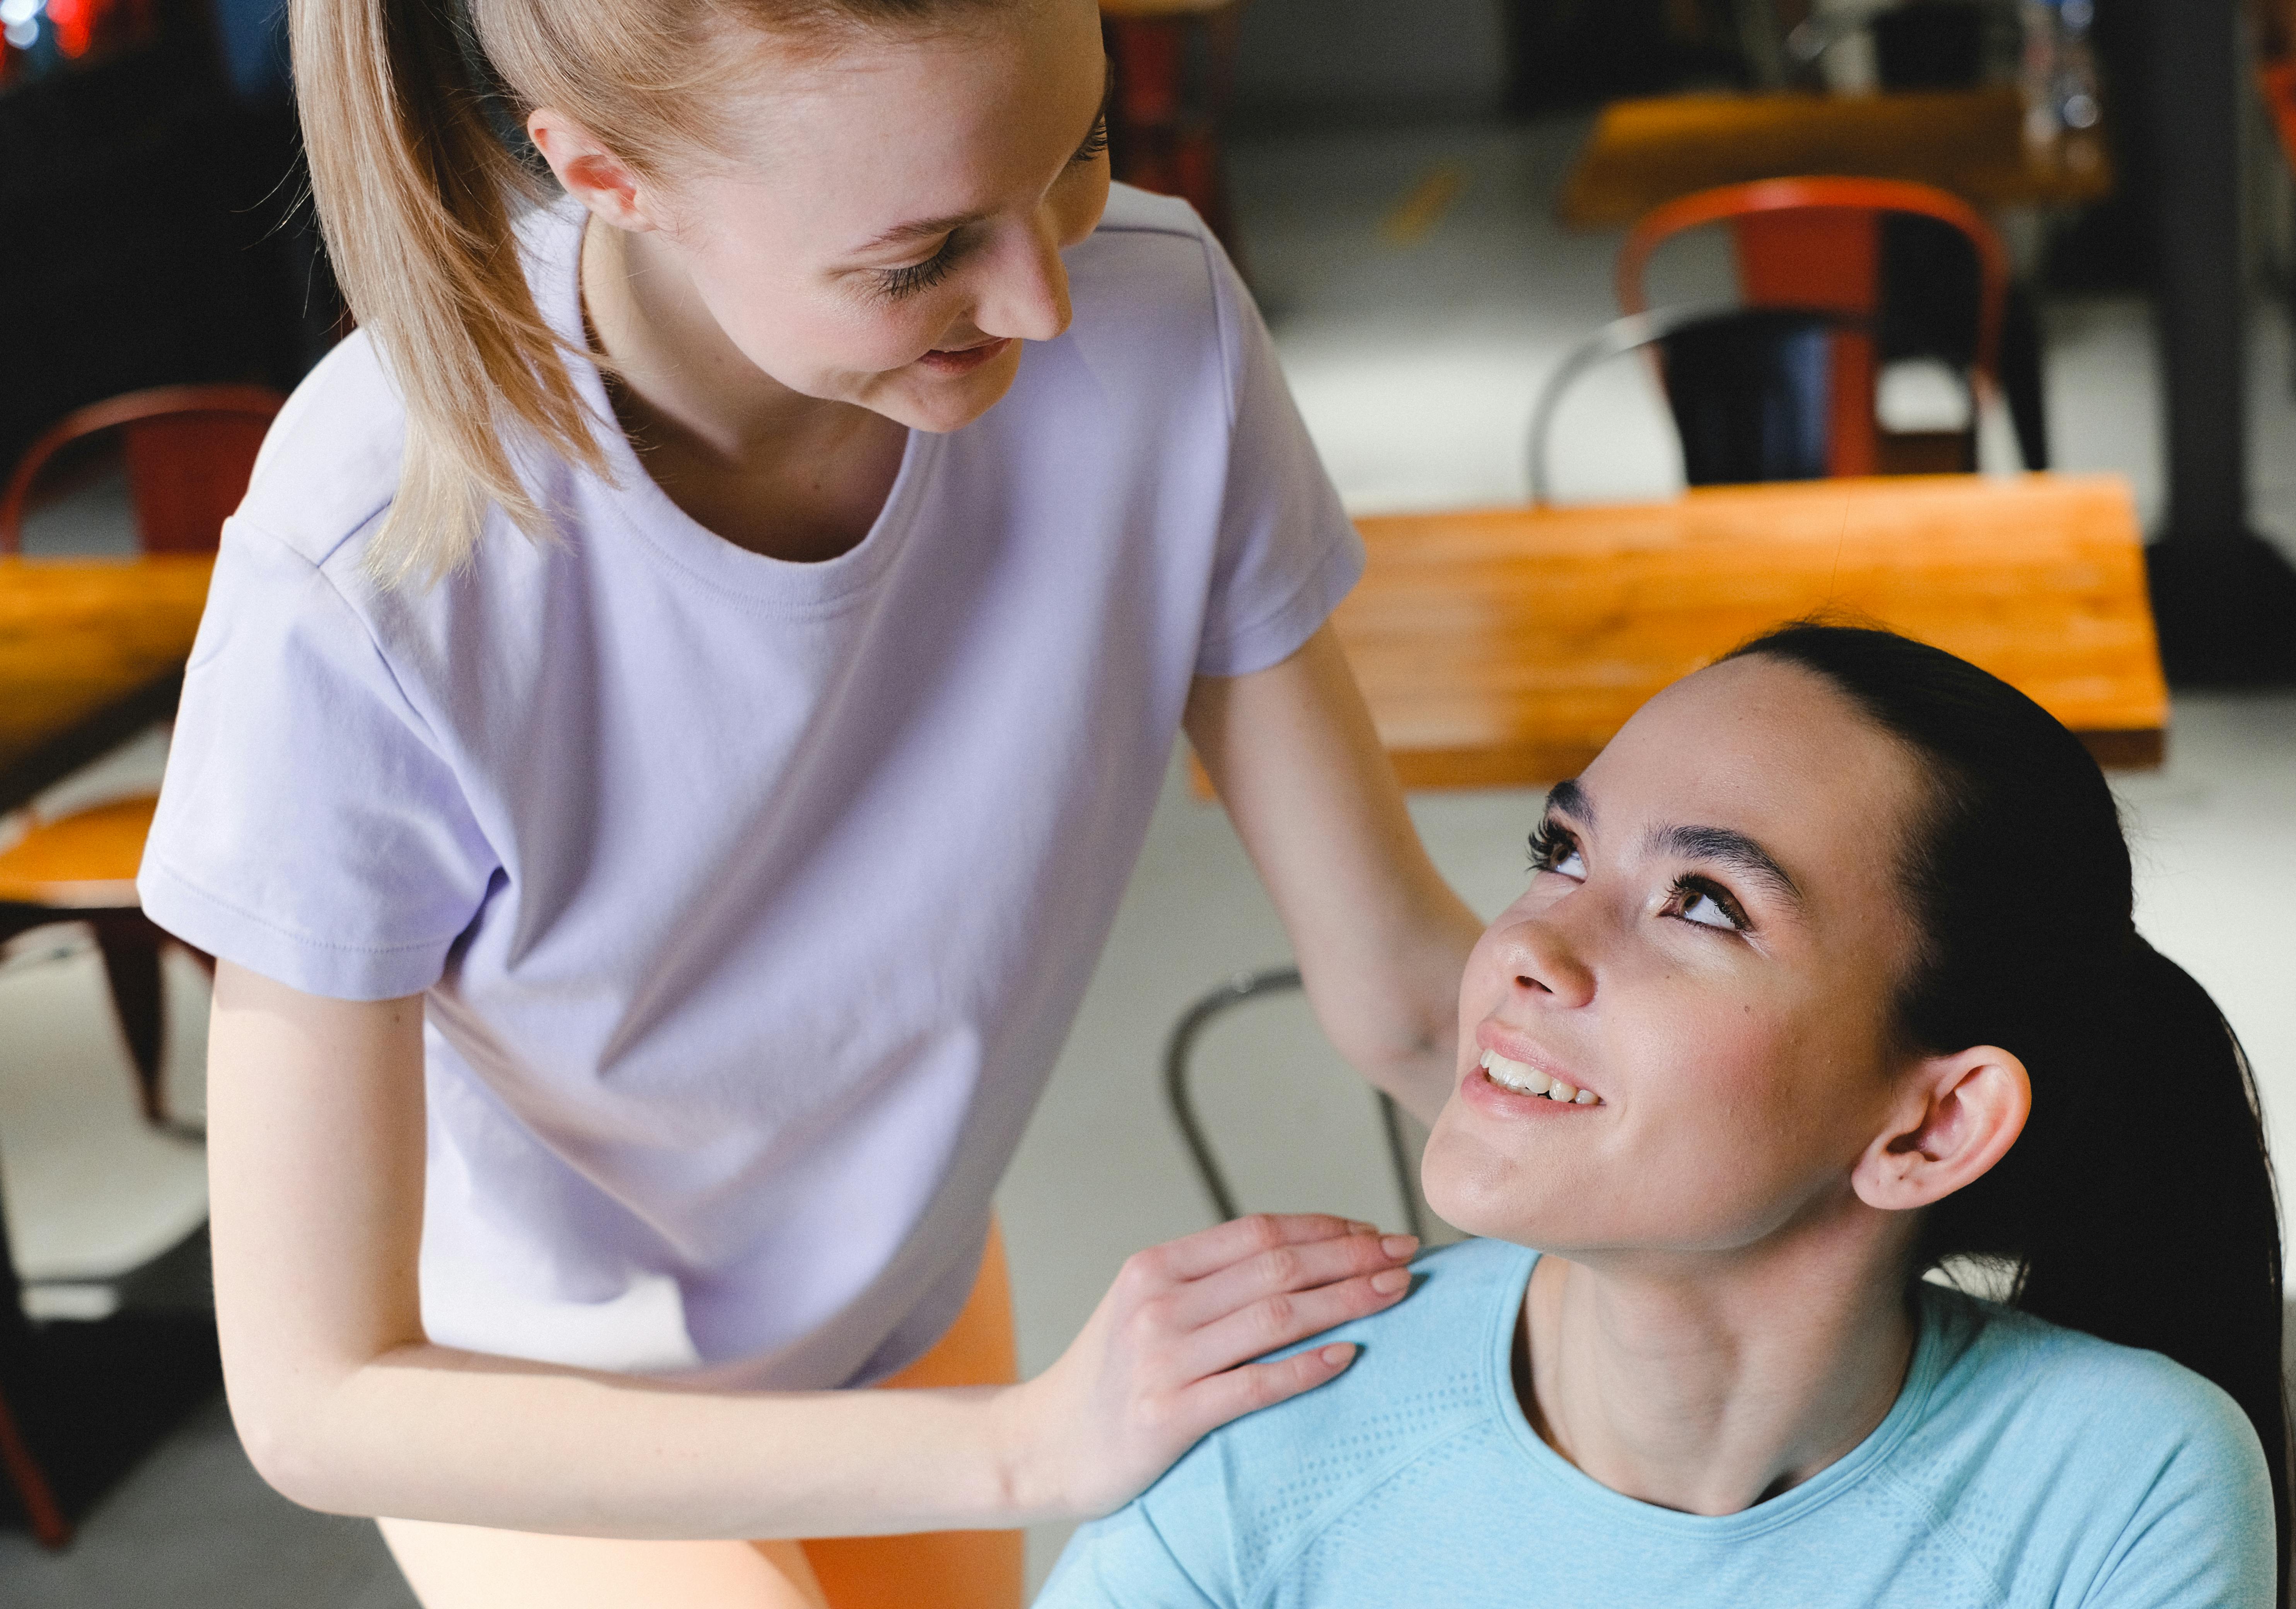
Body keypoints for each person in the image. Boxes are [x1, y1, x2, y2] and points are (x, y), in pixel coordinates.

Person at [134, 0, 1485, 1603]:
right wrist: (1024, 1443)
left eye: (1077, 154)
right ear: (607, 173)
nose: (1044, 298)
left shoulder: (1157, 317)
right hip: (530, 1403)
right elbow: (319, 1393)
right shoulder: (377, 553)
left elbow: (1406, 988)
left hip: (900, 1317)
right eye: (919, 261)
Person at [1037, 622, 2292, 1609]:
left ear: (1934, 1128)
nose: (1529, 940)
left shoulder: (2124, 1484)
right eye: (1563, 849)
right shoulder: (1271, 1416)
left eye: (1702, 902)